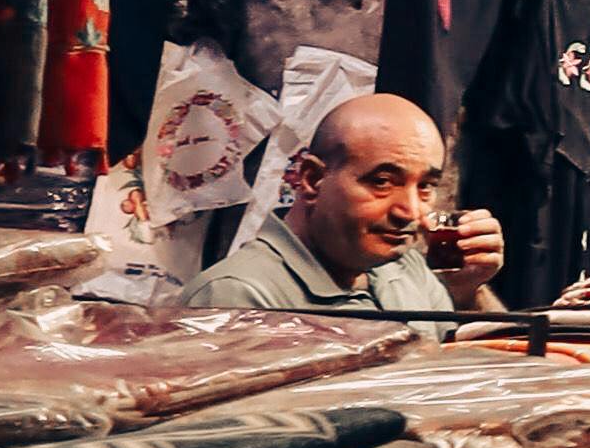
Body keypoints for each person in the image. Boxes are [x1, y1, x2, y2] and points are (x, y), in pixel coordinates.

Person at [200, 92, 501, 314]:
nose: (410, 211)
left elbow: (485, 374)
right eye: (382, 182)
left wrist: (468, 291)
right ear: (313, 180)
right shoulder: (237, 296)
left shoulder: (403, 267)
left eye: (425, 186)